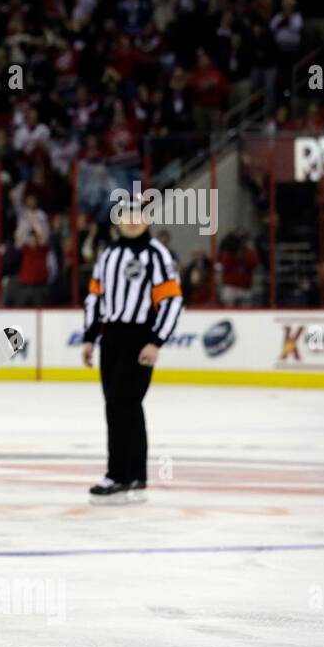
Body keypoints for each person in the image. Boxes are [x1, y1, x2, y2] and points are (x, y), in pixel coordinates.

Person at [81, 205, 184, 503]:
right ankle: (136, 475)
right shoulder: (108, 255)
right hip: (111, 338)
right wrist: (90, 336)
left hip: (140, 338)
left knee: (120, 404)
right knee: (127, 405)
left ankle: (118, 475)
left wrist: (155, 341)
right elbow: (95, 296)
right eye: (126, 216)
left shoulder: (157, 255)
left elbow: (172, 301)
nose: (132, 221)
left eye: (138, 216)